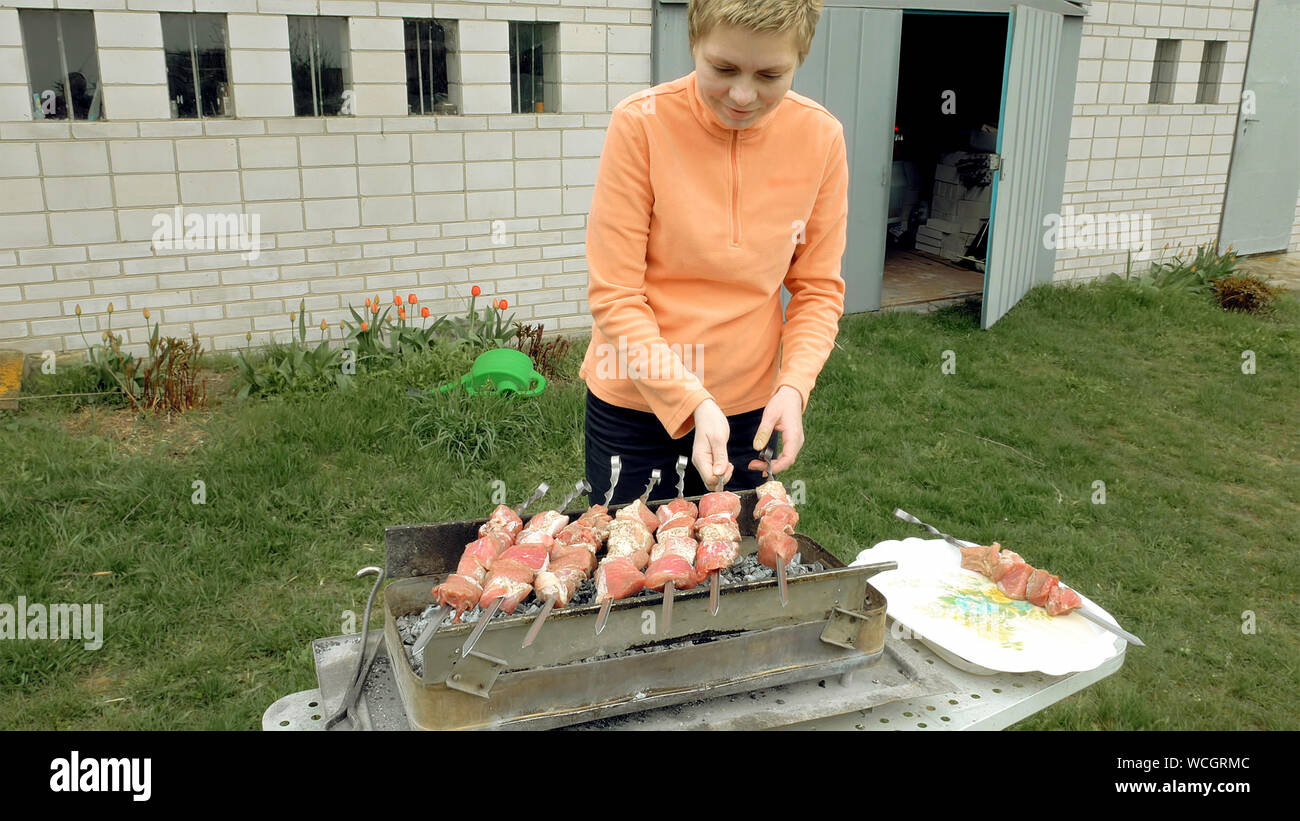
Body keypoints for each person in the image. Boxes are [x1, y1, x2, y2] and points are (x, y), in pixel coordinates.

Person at [580, 0, 847, 505]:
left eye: (771, 74)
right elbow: (615, 294)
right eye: (723, 69)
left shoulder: (821, 137)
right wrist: (692, 401)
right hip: (634, 404)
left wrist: (794, 386)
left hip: (750, 407)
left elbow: (817, 288)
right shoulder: (641, 124)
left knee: (737, 565)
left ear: (801, 57)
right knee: (631, 565)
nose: (743, 95)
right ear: (694, 44)